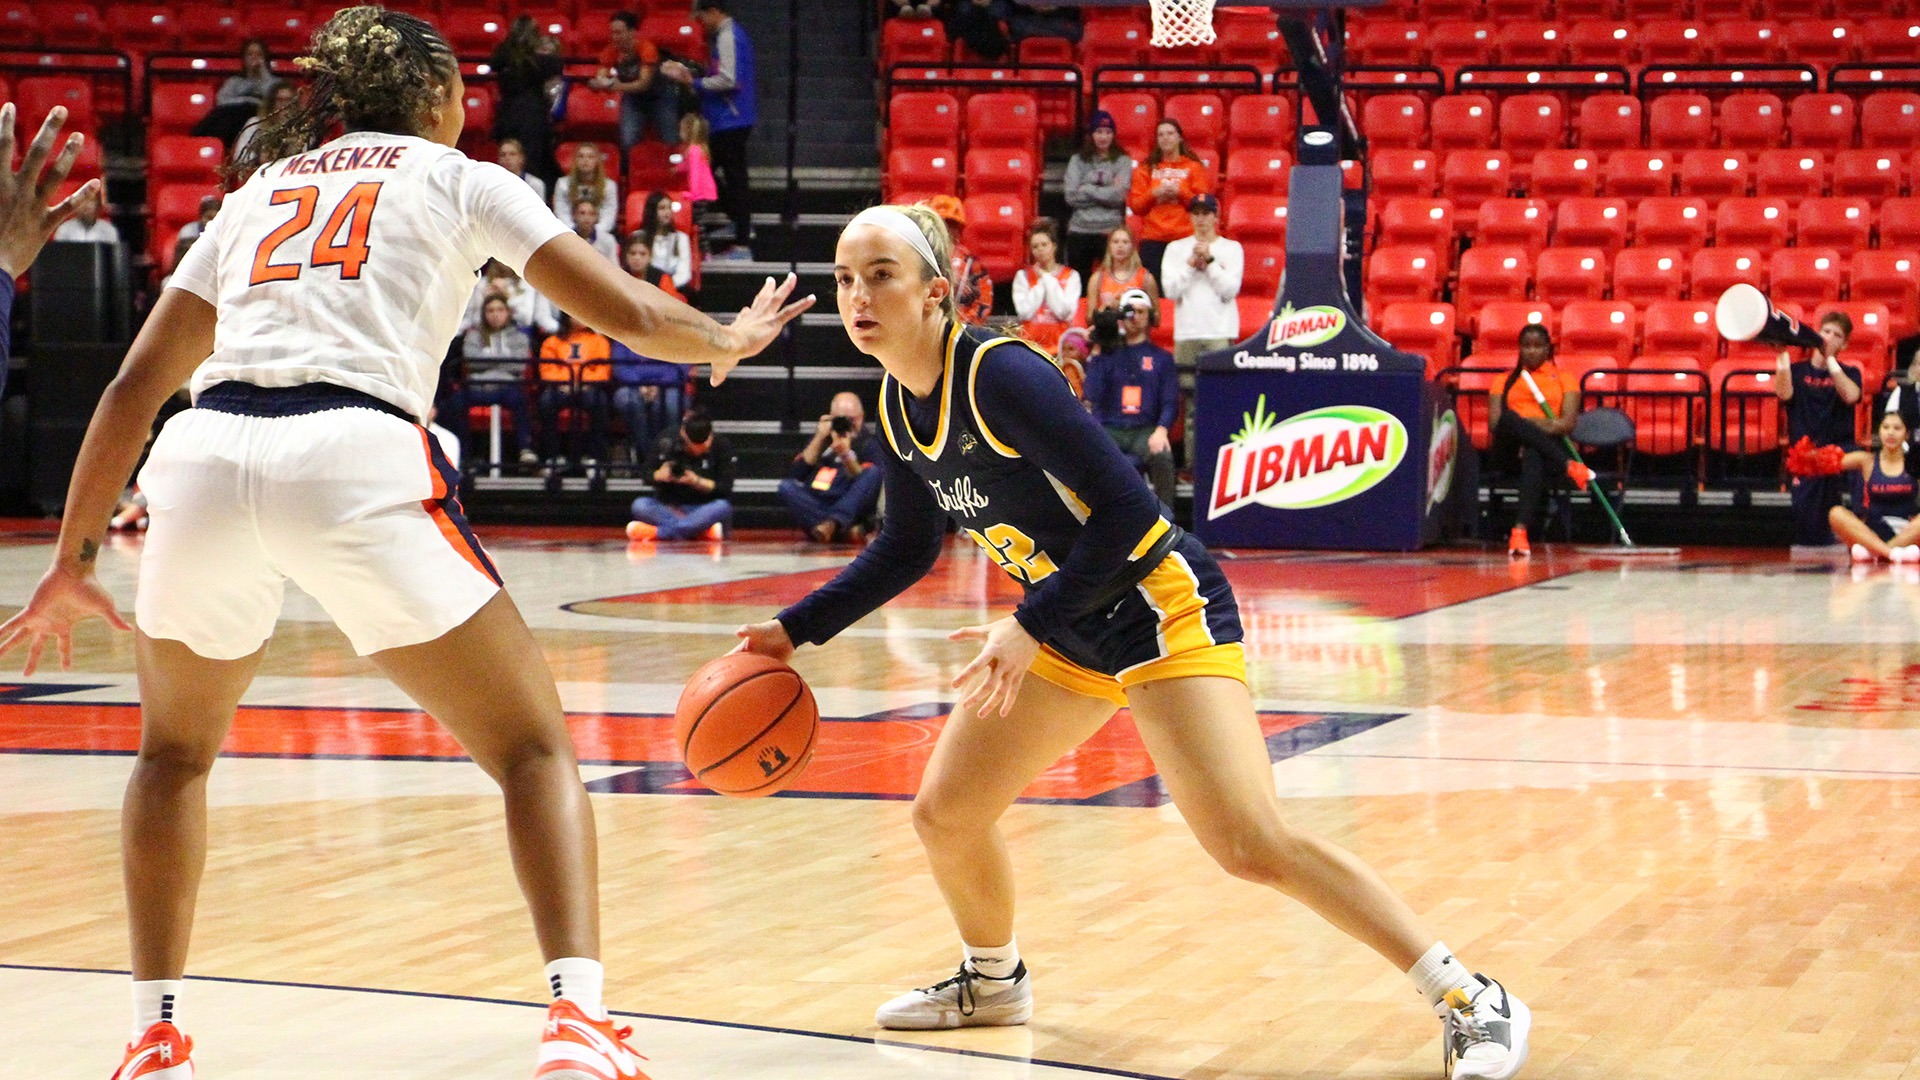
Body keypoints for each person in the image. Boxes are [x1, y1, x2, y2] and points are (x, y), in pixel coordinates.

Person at [0, 12, 811, 1080]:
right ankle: (578, 1017)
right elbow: (624, 311)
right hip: (351, 450)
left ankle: (153, 1034)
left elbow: (130, 389)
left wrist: (73, 560)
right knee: (531, 749)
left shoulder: (256, 195)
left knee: (173, 757)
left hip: (203, 455)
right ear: (442, 100)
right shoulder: (457, 174)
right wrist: (724, 340)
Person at [733, 204, 1532, 1080]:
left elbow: (1130, 511)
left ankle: (1472, 998)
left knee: (1248, 842)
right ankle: (993, 982)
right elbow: (909, 545)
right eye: (845, 279)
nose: (857, 295)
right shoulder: (894, 403)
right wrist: (791, 632)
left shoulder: (1002, 376)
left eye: (880, 275)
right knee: (947, 815)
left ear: (936, 292)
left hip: (1156, 603)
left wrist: (1027, 624)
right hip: (1069, 625)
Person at [1486, 324, 1596, 559]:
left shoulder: (1565, 379)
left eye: (1537, 346)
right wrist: (1529, 425)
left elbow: (1564, 424)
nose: (1531, 351)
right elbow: (1496, 424)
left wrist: (1526, 427)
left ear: (1548, 349)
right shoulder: (1503, 381)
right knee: (1508, 418)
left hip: (1545, 453)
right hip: (1508, 451)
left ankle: (1519, 532)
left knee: (1534, 452)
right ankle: (1570, 465)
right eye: (1526, 346)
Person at [660, 0, 756, 258]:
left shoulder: (728, 35)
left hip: (731, 119)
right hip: (727, 118)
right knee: (714, 174)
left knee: (730, 177)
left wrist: (695, 82)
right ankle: (738, 222)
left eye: (702, 17)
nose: (700, 24)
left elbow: (729, 78)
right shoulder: (729, 34)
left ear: (713, 11)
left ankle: (743, 239)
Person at [1159, 193, 1242, 466]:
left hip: (1218, 332)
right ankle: (1193, 467)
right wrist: (1191, 266)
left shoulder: (1231, 249)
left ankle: (1221, 463)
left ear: (1216, 217)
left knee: (1220, 401)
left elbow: (1230, 290)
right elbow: (1170, 289)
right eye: (1196, 213)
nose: (1202, 219)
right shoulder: (1175, 249)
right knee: (1191, 405)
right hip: (1188, 334)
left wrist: (1209, 264)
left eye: (1207, 213)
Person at [1082, 288, 1177, 507]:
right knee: (1088, 454)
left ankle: (1167, 518)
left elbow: (1170, 401)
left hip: (1144, 430)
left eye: (1141, 312)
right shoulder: (1106, 355)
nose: (1135, 317)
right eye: (1130, 311)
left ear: (1150, 317)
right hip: (1110, 428)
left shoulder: (1162, 358)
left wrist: (1161, 430)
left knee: (1162, 453)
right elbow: (1091, 394)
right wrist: (1097, 348)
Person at [1776, 311, 1863, 547]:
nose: (1829, 338)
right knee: (1809, 528)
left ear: (1843, 344)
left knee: (1862, 462)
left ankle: (1863, 530)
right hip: (1807, 451)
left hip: (1839, 449)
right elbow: (1784, 394)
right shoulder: (1797, 371)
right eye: (1826, 332)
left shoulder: (1850, 372)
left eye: (1837, 335)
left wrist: (1831, 361)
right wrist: (1781, 361)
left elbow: (1851, 396)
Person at [611, 234, 689, 458]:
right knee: (627, 399)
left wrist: (657, 385)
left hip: (666, 385)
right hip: (634, 385)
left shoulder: (674, 329)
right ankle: (648, 455)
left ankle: (669, 453)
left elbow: (681, 366)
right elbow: (619, 365)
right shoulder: (625, 327)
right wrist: (641, 385)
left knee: (669, 403)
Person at [778, 391, 884, 543]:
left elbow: (865, 482)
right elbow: (797, 473)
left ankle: (832, 525)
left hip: (849, 501)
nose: (846, 424)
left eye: (851, 419)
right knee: (786, 487)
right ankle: (839, 530)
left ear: (861, 417)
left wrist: (845, 454)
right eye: (840, 419)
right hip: (818, 500)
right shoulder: (822, 440)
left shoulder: (869, 444)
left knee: (873, 473)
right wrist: (819, 438)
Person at [626, 406, 736, 541]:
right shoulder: (665, 440)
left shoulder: (721, 446)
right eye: (692, 446)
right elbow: (646, 473)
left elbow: (725, 487)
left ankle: (658, 533)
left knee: (722, 507)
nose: (697, 450)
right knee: (640, 505)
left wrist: (696, 481)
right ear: (684, 434)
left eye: (703, 446)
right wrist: (658, 475)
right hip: (669, 507)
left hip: (702, 509)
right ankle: (699, 532)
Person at [453, 292, 538, 466]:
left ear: (508, 312)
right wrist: (502, 362)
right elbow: (470, 361)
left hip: (508, 387)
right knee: (455, 403)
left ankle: (525, 449)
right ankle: (463, 453)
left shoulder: (520, 337)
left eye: (500, 309)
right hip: (478, 386)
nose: (495, 314)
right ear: (484, 314)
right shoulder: (473, 335)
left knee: (521, 400)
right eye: (490, 310)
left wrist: (486, 362)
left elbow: (519, 366)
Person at [1829, 409, 1920, 563]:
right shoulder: (1866, 460)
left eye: (1897, 428)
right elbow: (1826, 462)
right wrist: (1806, 457)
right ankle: (1891, 554)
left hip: (1907, 532)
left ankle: (1875, 553)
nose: (1890, 433)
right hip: (1871, 533)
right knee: (1836, 513)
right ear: (1879, 431)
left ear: (1906, 434)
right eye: (1886, 427)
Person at [538, 311, 615, 487]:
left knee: (600, 402)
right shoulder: (553, 341)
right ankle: (552, 457)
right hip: (561, 388)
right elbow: (547, 370)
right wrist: (565, 383)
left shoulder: (598, 340)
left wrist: (583, 382)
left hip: (589, 388)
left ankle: (596, 458)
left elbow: (602, 370)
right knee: (546, 402)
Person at [1126, 118, 1210, 279]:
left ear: (1180, 138)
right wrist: (1154, 193)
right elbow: (1136, 206)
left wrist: (1181, 192)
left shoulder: (1193, 167)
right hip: (1153, 238)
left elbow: (1203, 203)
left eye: (1170, 133)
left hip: (1185, 237)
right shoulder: (1145, 169)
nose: (1165, 138)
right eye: (1161, 135)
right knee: (1154, 290)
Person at [490, 16, 564, 186]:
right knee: (531, 163)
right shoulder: (537, 62)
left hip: (508, 115)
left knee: (512, 160)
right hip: (532, 118)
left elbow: (495, 61)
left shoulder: (504, 57)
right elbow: (557, 63)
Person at [1062, 110, 1133, 280]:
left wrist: (1087, 188)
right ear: (1091, 134)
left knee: (1112, 280)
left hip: (1109, 230)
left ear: (1113, 135)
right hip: (1080, 229)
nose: (1103, 137)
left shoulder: (1122, 161)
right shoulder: (1077, 160)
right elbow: (1071, 196)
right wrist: (1107, 193)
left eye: (1108, 132)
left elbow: (1119, 196)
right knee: (1078, 284)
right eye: (1099, 132)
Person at [596, 10, 679, 155]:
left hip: (661, 97)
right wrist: (599, 82)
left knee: (671, 139)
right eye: (613, 33)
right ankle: (628, 174)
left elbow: (643, 84)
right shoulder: (610, 51)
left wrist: (614, 86)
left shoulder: (646, 49)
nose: (615, 37)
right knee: (628, 140)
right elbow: (601, 76)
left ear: (632, 32)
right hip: (633, 99)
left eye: (619, 32)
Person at [1012, 217, 1079, 353]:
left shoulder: (1071, 276)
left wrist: (1045, 277)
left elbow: (1064, 313)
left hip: (1059, 348)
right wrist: (1042, 283)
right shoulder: (1022, 276)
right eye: (1035, 246)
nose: (1040, 250)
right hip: (1030, 347)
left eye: (1044, 244)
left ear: (1054, 246)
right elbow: (1024, 312)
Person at [191, 39, 277, 146]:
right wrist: (246, 98)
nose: (254, 58)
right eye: (250, 54)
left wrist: (261, 75)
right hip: (234, 120)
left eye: (259, 54)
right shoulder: (234, 82)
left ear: (265, 58)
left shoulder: (274, 83)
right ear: (244, 58)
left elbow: (272, 103)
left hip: (258, 119)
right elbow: (222, 102)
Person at [928, 195, 991, 325]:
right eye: (940, 223)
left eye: (950, 224)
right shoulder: (920, 258)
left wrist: (959, 328)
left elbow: (983, 303)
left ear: (958, 228)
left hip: (963, 332)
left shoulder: (972, 264)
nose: (945, 229)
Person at [1085, 224, 1158, 315]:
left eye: (1125, 242)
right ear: (1109, 247)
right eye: (1115, 242)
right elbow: (1089, 318)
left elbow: (1156, 318)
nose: (1120, 246)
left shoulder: (1146, 279)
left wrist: (1135, 307)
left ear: (1132, 247)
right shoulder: (1097, 278)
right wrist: (1108, 306)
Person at [553, 143, 618, 236]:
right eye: (581, 156)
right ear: (575, 161)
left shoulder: (609, 186)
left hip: (601, 233)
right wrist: (574, 232)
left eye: (590, 157)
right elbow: (561, 212)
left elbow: (609, 215)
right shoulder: (562, 184)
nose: (585, 160)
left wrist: (595, 233)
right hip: (570, 233)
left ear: (597, 161)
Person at [229, 82, 298, 166]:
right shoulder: (255, 123)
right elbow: (240, 156)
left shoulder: (300, 126)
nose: (284, 105)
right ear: (271, 102)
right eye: (280, 100)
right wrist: (258, 158)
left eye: (288, 100)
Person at [640, 190, 694, 293]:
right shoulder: (639, 236)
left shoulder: (681, 238)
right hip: (645, 289)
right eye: (662, 208)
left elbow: (684, 273)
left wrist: (666, 287)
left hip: (672, 289)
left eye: (669, 208)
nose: (667, 212)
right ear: (652, 211)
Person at [51, 184, 119, 244]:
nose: (86, 206)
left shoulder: (108, 230)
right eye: (82, 202)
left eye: (91, 201)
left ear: (97, 205)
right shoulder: (64, 229)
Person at [679, 112, 720, 212]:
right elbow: (688, 165)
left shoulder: (693, 151)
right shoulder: (700, 148)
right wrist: (677, 168)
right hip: (705, 192)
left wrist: (693, 193)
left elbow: (695, 173)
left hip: (701, 193)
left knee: (695, 216)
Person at [569, 194, 620, 264]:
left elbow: (614, 267)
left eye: (591, 213)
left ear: (597, 217)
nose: (587, 217)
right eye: (582, 213)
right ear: (574, 215)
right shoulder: (565, 239)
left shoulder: (607, 240)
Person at [496, 137, 548, 205]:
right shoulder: (493, 184)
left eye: (512, 154)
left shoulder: (535, 184)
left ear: (521, 158)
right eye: (503, 155)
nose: (507, 158)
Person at [1054, 326, 1089, 399]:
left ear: (1082, 352)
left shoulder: (1091, 369)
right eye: (1063, 349)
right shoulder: (1060, 369)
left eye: (1071, 349)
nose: (1066, 353)